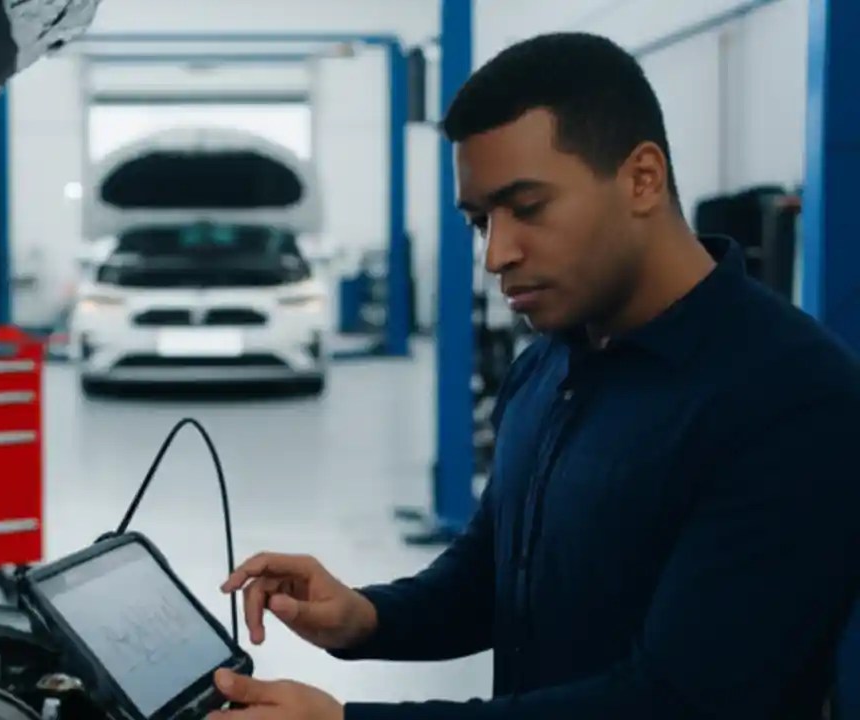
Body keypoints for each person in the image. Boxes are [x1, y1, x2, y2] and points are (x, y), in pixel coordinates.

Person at [208, 32, 860, 720]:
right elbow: (496, 571)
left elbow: (675, 703)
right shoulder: (549, 362)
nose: (497, 255)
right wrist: (368, 617)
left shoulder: (792, 401)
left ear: (642, 179)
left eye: (528, 207)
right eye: (479, 220)